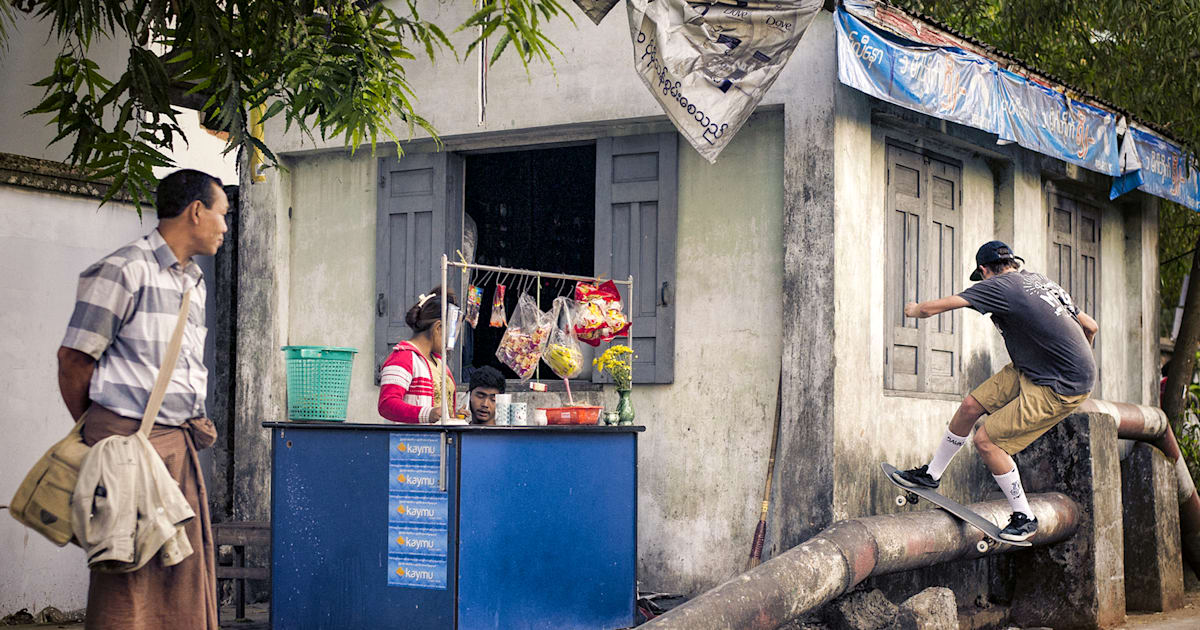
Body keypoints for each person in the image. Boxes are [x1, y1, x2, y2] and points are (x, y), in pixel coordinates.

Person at [57, 169, 228, 629]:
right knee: (126, 575)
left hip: (177, 449)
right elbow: (74, 360)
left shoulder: (193, 281)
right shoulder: (123, 270)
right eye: (222, 214)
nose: (225, 227)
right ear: (196, 211)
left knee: (181, 580)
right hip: (126, 448)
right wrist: (105, 436)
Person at [892, 240, 1098, 542]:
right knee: (970, 407)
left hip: (1059, 387)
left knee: (987, 441)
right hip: (1036, 368)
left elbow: (939, 306)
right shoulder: (1040, 281)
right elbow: (1090, 327)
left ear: (984, 270)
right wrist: (1073, 360)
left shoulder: (999, 285)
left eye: (982, 274)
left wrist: (913, 310)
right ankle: (931, 475)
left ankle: (1024, 517)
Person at [378, 288, 462, 423]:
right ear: (438, 327)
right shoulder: (402, 358)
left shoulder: (439, 362)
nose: (451, 339)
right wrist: (427, 414)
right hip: (411, 442)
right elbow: (386, 405)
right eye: (450, 332)